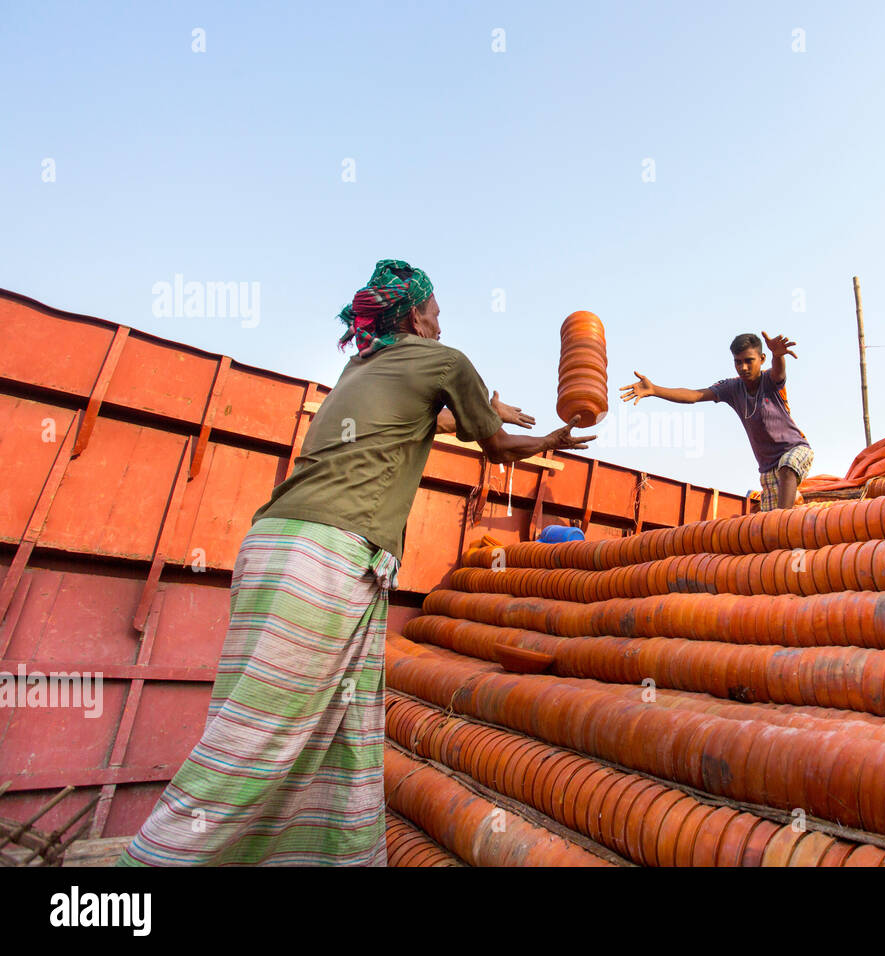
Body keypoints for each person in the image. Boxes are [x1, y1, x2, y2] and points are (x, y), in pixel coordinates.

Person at [116, 259, 592, 866]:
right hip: (328, 556)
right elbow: (494, 444)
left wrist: (480, 412)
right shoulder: (446, 362)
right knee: (257, 740)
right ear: (416, 314)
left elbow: (425, 418)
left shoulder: (360, 364)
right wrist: (552, 440)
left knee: (340, 726)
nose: (443, 321)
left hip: (271, 546)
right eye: (437, 310)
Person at [619, 331, 813, 510]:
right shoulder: (732, 387)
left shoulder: (769, 381)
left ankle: (784, 520)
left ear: (762, 359)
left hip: (795, 449)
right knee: (771, 526)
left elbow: (778, 372)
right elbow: (694, 395)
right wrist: (655, 390)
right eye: (738, 362)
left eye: (749, 361)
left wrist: (777, 356)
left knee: (787, 471)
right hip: (768, 466)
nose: (743, 367)